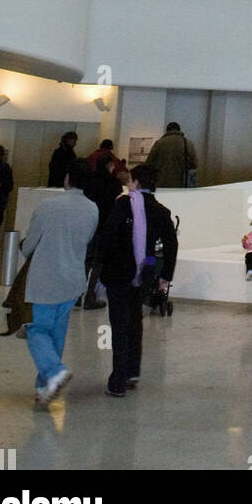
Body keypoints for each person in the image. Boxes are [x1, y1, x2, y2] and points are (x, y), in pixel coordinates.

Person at [96, 163, 178, 397]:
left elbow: (108, 237)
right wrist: (165, 276)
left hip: (119, 273)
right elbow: (171, 243)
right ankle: (132, 371)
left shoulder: (122, 205)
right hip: (145, 274)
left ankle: (118, 380)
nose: (127, 184)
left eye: (130, 180)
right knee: (134, 321)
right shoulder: (160, 210)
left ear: (137, 183)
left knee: (119, 325)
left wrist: (98, 271)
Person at [20, 160, 99, 404]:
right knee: (57, 332)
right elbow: (85, 240)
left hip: (45, 277)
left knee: (36, 328)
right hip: (73, 277)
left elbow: (30, 244)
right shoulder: (92, 209)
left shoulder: (48, 205)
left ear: (67, 178)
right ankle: (44, 388)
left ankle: (54, 372)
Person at [82, 154, 122, 309]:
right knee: (98, 264)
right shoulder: (114, 183)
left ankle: (77, 295)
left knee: (85, 261)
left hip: (88, 226)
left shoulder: (89, 181)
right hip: (104, 227)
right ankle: (90, 297)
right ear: (110, 165)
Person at [147, 122, 198, 188]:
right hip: (181, 183)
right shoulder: (188, 143)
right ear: (179, 130)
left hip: (161, 183)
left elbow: (149, 163)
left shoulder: (159, 143)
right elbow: (194, 164)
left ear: (167, 130)